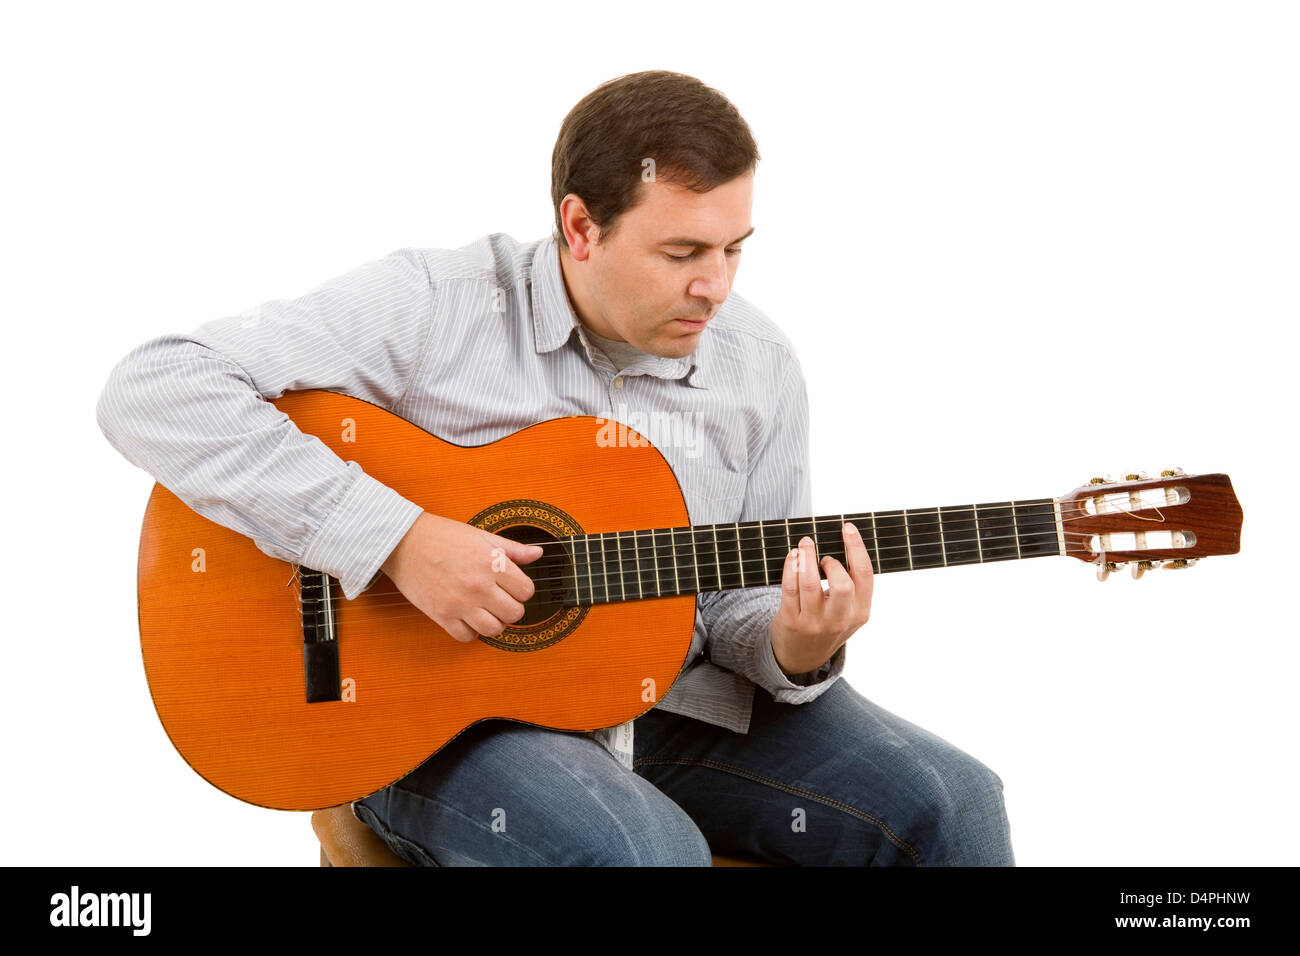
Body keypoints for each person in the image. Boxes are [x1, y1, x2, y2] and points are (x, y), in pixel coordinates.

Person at [97, 70, 1013, 866]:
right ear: (580, 227)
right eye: (682, 252)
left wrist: (794, 645)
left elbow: (735, 599)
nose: (717, 287)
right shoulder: (434, 306)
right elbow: (155, 386)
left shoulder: (759, 364)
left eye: (734, 249)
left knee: (954, 801)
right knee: (641, 856)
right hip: (433, 723)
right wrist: (397, 541)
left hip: (674, 709)